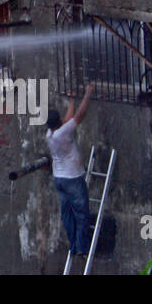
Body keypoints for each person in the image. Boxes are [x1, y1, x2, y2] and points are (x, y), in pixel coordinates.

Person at [46, 83, 95, 260]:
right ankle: (82, 248)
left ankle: (73, 245)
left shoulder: (51, 134)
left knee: (67, 214)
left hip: (59, 178)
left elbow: (67, 120)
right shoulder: (62, 133)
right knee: (81, 214)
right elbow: (79, 116)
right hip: (72, 178)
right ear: (57, 123)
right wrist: (87, 94)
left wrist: (72, 100)